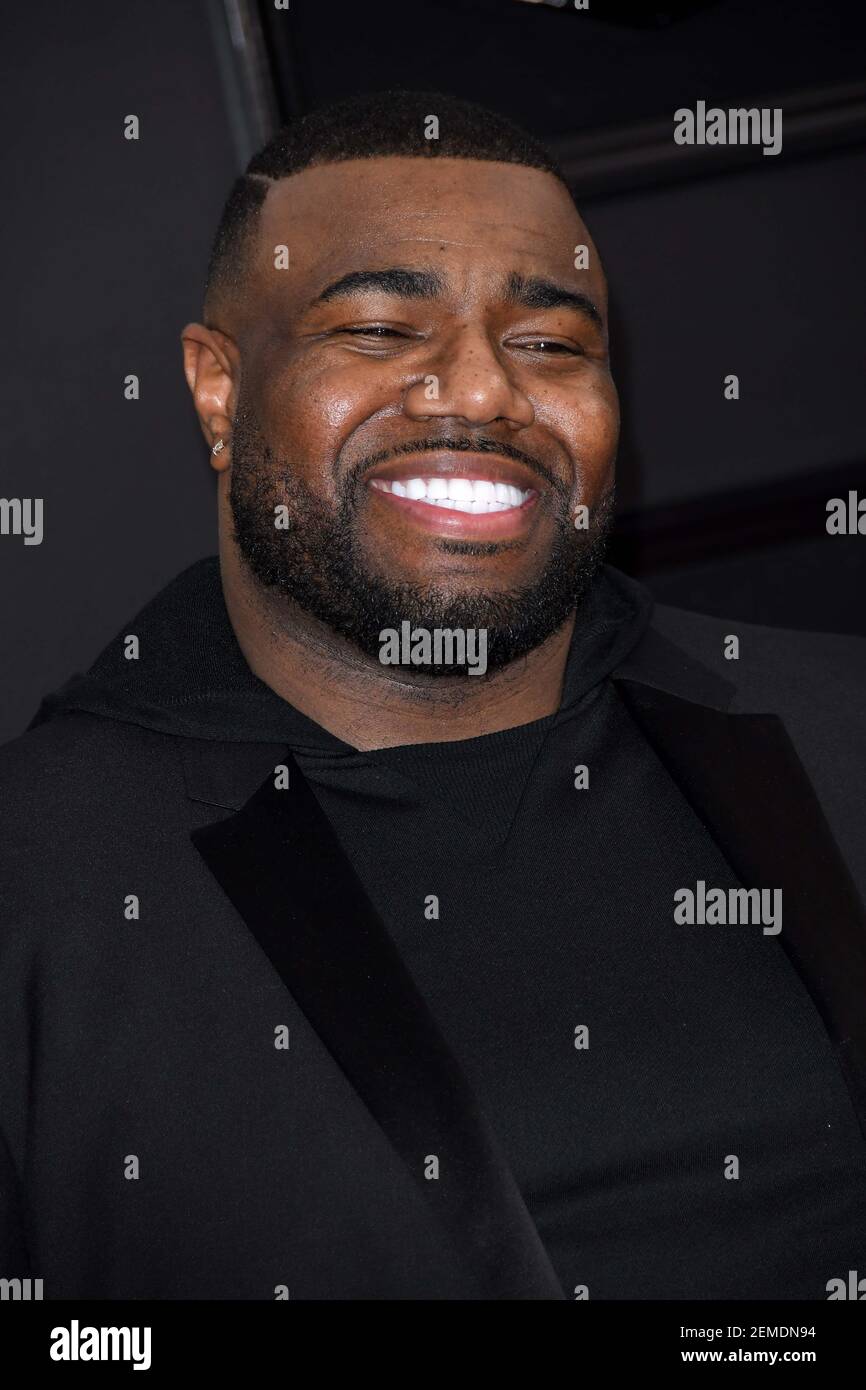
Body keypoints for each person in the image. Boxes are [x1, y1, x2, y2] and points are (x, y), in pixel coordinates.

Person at [1, 90, 865, 1302]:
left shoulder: (838, 722)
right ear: (217, 388)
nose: (479, 392)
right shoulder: (40, 873)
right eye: (379, 331)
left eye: (551, 346)